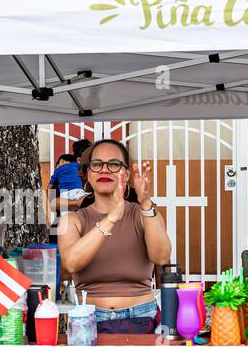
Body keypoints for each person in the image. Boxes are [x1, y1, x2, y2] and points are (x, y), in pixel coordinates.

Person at [57, 139, 171, 334]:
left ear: (126, 174)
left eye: (114, 164)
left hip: (142, 317)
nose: (104, 170)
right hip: (89, 319)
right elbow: (71, 263)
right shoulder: (72, 221)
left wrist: (145, 204)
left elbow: (161, 257)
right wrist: (111, 218)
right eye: (97, 164)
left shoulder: (145, 214)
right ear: (89, 174)